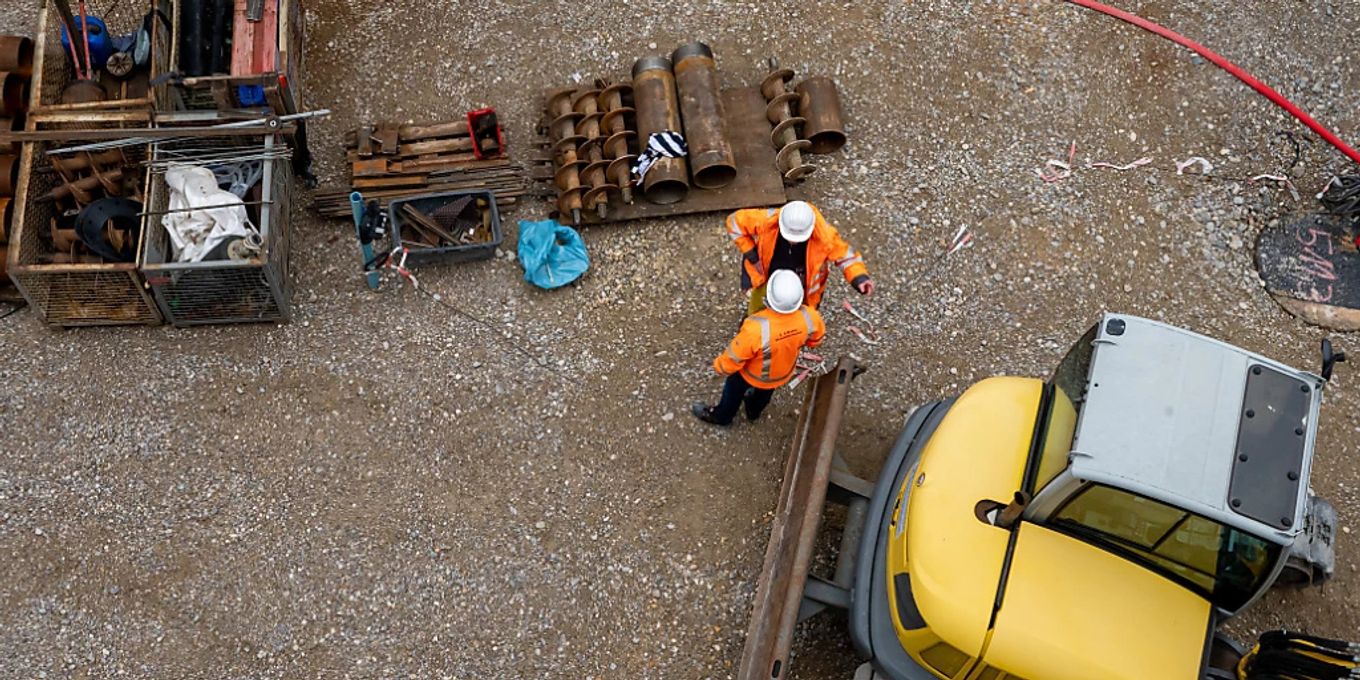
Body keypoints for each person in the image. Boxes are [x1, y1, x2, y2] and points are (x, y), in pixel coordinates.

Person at [693, 270, 826, 426]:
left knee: (734, 388)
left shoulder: (755, 328)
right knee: (765, 393)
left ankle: (722, 416)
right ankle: (753, 412)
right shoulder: (811, 317)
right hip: (781, 374)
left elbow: (735, 357)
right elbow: (815, 340)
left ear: (769, 297)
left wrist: (720, 367)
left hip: (751, 375)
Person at [725, 200, 874, 315]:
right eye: (789, 236)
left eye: (798, 238)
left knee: (797, 312)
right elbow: (734, 223)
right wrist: (753, 256)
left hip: (803, 282)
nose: (793, 241)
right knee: (756, 306)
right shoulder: (767, 220)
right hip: (764, 275)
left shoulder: (825, 236)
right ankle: (753, 323)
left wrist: (859, 278)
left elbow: (847, 258)